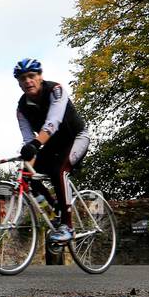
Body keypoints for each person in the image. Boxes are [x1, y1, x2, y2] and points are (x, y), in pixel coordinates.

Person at [13, 58, 90, 244]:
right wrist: (27, 165)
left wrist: (35, 145)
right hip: (51, 145)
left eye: (31, 76)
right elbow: (27, 141)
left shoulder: (56, 90)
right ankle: (54, 209)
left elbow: (52, 123)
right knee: (27, 175)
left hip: (76, 138)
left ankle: (68, 226)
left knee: (59, 170)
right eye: (23, 78)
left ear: (40, 76)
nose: (27, 81)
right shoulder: (21, 108)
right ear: (19, 82)